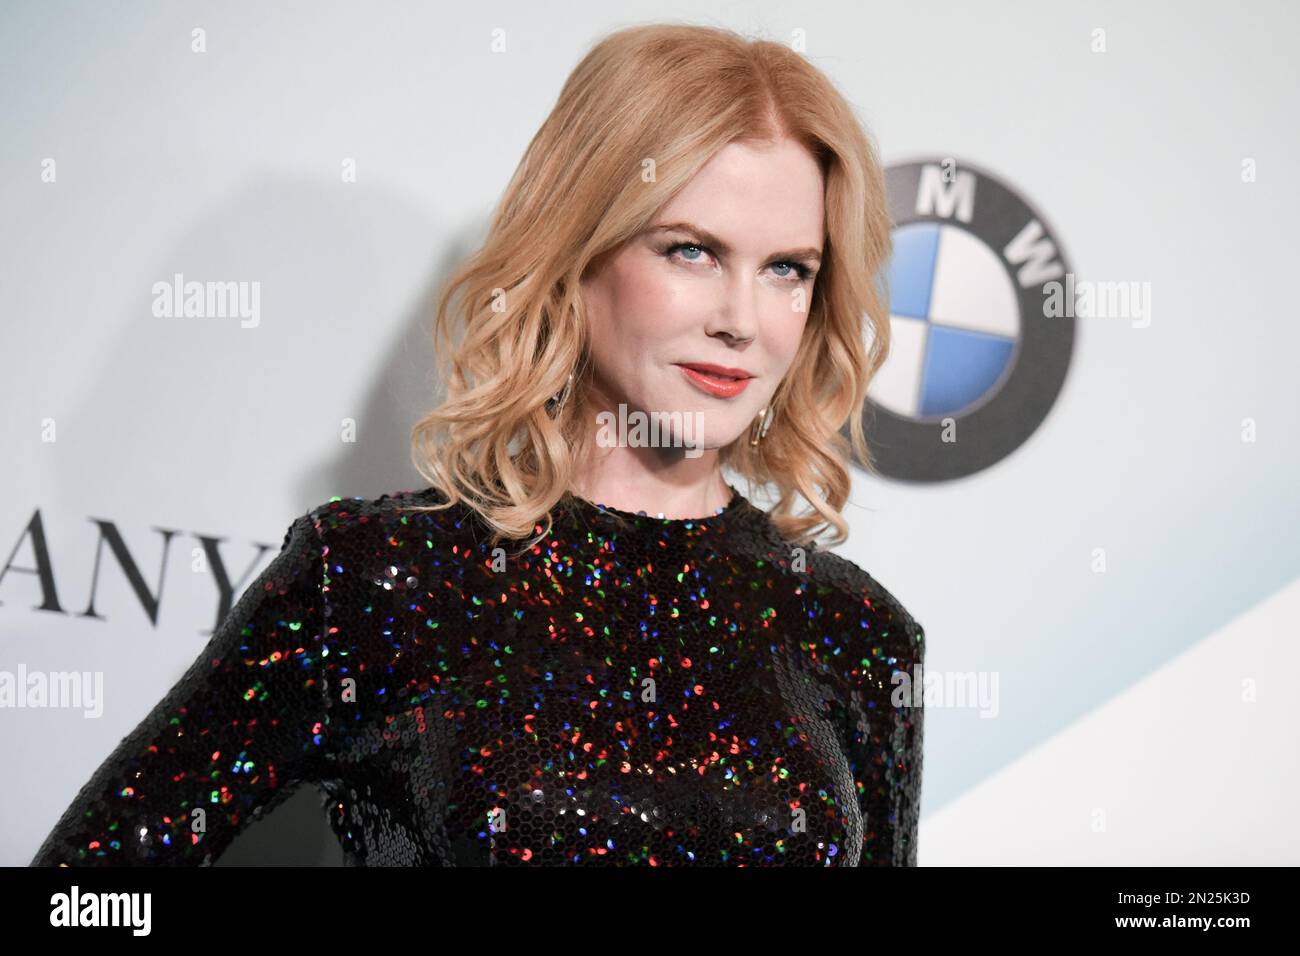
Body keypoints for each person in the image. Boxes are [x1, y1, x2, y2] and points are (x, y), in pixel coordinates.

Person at [31, 22, 924, 867]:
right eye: (690, 252)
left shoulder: (857, 633)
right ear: (578, 254)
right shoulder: (376, 578)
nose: (741, 321)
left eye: (786, 270)